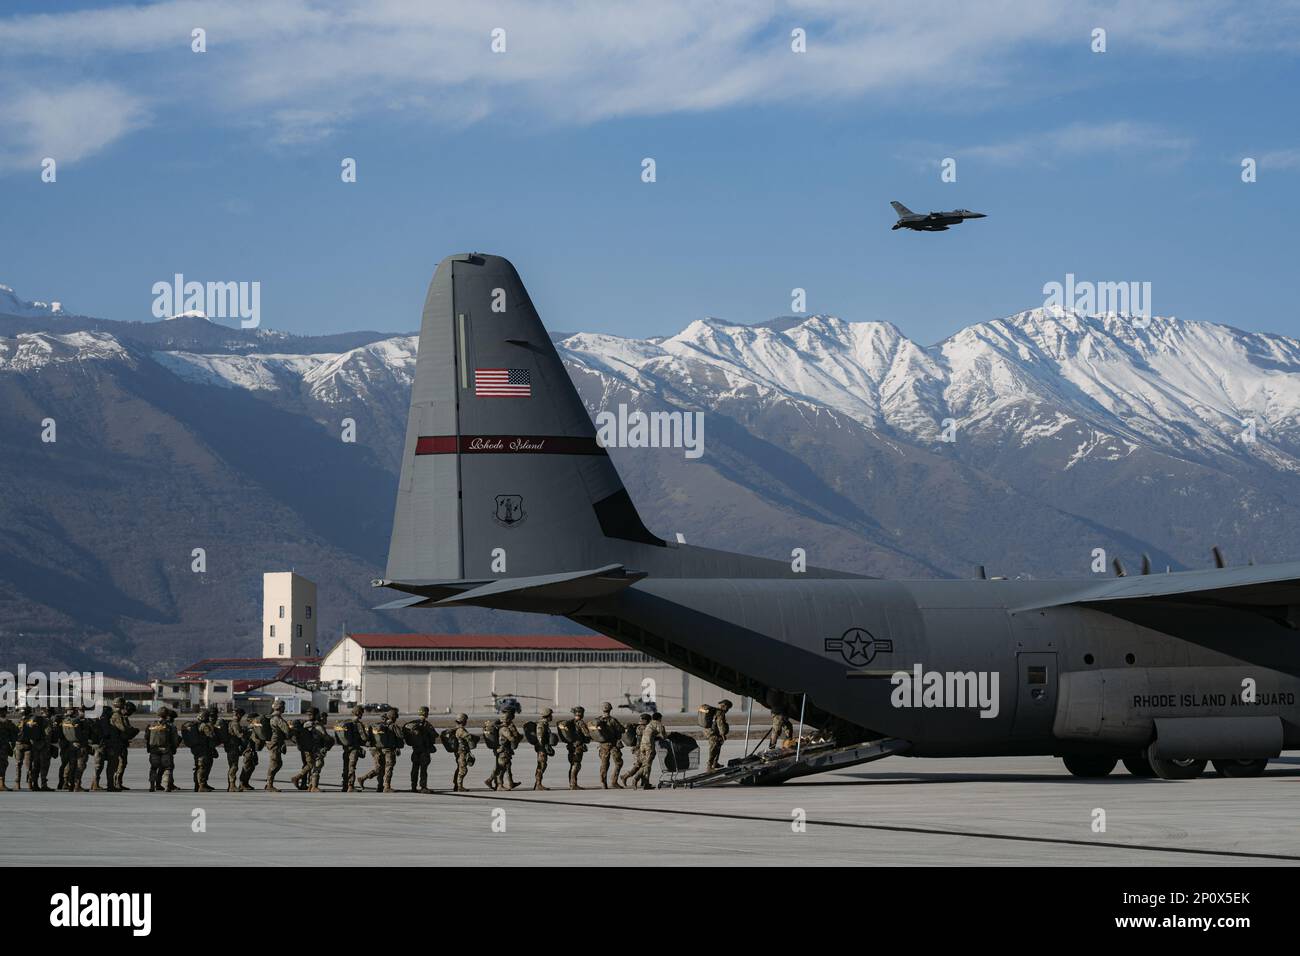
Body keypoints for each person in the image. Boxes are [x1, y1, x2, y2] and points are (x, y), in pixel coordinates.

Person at [146, 708, 181, 792]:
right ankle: (167, 786)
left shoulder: (151, 724)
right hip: (165, 750)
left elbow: (147, 737)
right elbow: (174, 739)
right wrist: (174, 748)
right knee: (167, 768)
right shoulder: (170, 725)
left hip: (154, 750)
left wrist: (149, 748)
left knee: (153, 768)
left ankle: (152, 786)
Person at [633, 711, 670, 789]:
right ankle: (636, 778)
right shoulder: (658, 724)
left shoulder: (649, 724)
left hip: (642, 746)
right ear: (659, 718)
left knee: (645, 764)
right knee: (647, 765)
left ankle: (645, 783)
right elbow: (663, 736)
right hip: (649, 746)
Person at [403, 707, 434, 793]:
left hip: (415, 750)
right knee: (423, 770)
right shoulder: (426, 724)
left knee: (414, 768)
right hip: (424, 751)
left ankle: (413, 786)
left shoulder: (412, 723)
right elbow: (434, 735)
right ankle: (423, 787)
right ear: (426, 713)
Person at [595, 701, 625, 789]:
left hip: (602, 746)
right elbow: (621, 729)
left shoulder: (598, 720)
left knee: (604, 764)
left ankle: (603, 783)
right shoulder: (612, 720)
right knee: (619, 763)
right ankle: (614, 781)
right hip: (613, 745)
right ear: (610, 709)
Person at [265, 700, 293, 792]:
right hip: (275, 744)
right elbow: (287, 731)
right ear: (280, 707)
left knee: (277, 763)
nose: (284, 708)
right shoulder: (277, 719)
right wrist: (291, 728)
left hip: (273, 743)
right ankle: (269, 785)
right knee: (275, 764)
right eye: (283, 706)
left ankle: (269, 784)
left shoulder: (272, 716)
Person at [59, 706, 90, 791]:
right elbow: (87, 734)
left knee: (71, 765)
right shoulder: (82, 721)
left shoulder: (66, 720)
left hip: (71, 745)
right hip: (81, 746)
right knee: (80, 766)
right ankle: (77, 785)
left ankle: (69, 784)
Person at [336, 706, 366, 792]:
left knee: (345, 767)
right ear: (358, 713)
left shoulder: (345, 722)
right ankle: (350, 786)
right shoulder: (358, 724)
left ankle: (344, 785)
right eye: (361, 713)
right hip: (354, 749)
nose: (362, 715)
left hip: (345, 748)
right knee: (352, 767)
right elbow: (364, 738)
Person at [618, 714, 652, 787]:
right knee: (641, 766)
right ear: (645, 720)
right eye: (649, 720)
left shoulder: (640, 727)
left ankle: (644, 782)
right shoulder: (642, 728)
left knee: (641, 765)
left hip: (639, 749)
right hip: (640, 750)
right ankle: (625, 776)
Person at [564, 705, 591, 790]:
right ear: (581, 713)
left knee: (572, 765)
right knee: (576, 765)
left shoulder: (570, 722)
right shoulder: (580, 723)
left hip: (571, 746)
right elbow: (586, 734)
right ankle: (573, 784)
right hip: (578, 747)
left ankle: (571, 783)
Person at [705, 699, 732, 771]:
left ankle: (715, 763)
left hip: (712, 732)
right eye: (728, 708)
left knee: (717, 747)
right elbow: (720, 724)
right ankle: (709, 766)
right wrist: (723, 734)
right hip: (713, 733)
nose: (728, 710)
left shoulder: (716, 711)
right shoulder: (720, 713)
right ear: (725, 706)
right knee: (713, 749)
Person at [451, 714, 474, 791]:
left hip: (459, 752)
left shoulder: (457, 729)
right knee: (463, 769)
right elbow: (468, 737)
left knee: (459, 768)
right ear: (463, 721)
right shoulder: (461, 730)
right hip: (462, 752)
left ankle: (456, 785)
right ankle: (459, 786)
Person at [532, 708, 554, 790]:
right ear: (547, 715)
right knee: (541, 765)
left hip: (543, 747)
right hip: (541, 748)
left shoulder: (545, 724)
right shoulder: (541, 724)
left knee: (542, 765)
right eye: (551, 715)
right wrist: (544, 746)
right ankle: (538, 784)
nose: (552, 717)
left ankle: (537, 784)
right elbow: (540, 736)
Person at [0, 706, 15, 791]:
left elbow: (14, 733)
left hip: (4, 747)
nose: (5, 713)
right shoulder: (6, 723)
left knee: (4, 764)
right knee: (2, 764)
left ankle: (2, 784)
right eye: (3, 711)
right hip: (2, 747)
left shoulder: (7, 722)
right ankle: (1, 785)